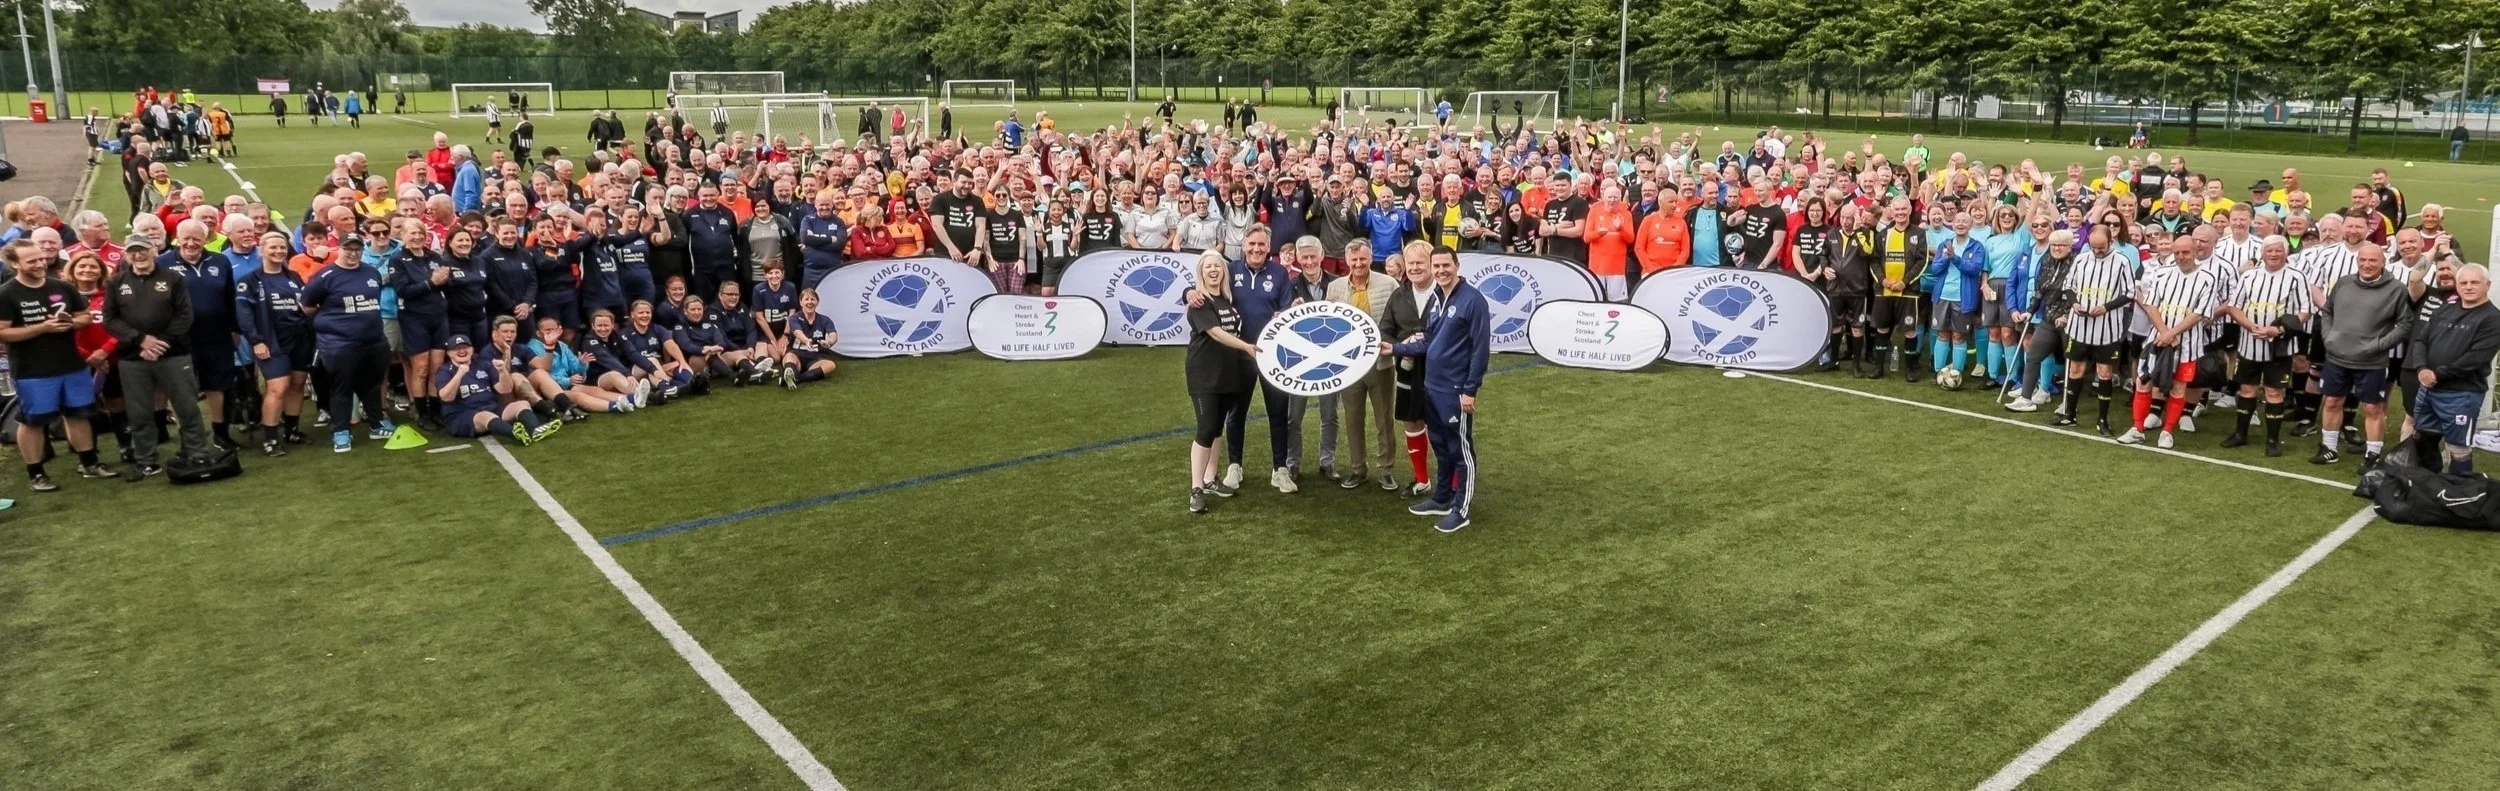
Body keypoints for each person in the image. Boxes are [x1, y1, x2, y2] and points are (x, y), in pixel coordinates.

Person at [1380, 246, 1491, 533]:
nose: (1441, 271)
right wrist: (1395, 347)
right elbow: (1428, 340)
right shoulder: (1437, 298)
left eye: (1446, 265)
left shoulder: (1472, 301)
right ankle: (1442, 497)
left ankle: (1461, 509)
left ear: (1456, 265)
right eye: (1437, 266)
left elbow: (1480, 350)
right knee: (1441, 446)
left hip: (1456, 390)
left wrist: (1470, 390)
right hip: (1432, 386)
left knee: (1460, 449)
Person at [2312, 243, 2414, 466]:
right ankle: (2329, 448)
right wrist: (2329, 336)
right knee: (2331, 401)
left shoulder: (2396, 289)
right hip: (2337, 356)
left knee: (2372, 408)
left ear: (2383, 262)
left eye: (2373, 261)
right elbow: (2328, 310)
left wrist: (2379, 345)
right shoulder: (2344, 283)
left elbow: (2405, 324)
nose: (2367, 265)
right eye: (2363, 260)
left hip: (2372, 362)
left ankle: (2373, 455)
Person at [2118, 240, 2221, 449]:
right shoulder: (2162, 273)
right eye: (2177, 252)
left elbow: (2200, 312)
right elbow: (2151, 305)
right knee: (2143, 381)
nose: (2181, 256)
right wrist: (2165, 333)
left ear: (2194, 252)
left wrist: (2173, 333)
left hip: (2188, 343)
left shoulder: (2208, 278)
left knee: (2178, 387)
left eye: (2185, 252)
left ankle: (2167, 431)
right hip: (2157, 339)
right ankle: (2137, 429)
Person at [300, 236, 396, 452]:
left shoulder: (370, 272)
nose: (353, 254)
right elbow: (306, 305)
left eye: (357, 249)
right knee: (342, 386)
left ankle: (376, 423)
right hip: (340, 343)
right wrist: (331, 322)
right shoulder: (325, 276)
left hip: (374, 340)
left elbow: (373, 300)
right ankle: (340, 431)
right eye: (348, 249)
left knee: (372, 384)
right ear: (339, 249)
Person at [1184, 250, 1260, 513]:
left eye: (1218, 266)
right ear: (1201, 273)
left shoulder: (1226, 300)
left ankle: (1210, 479)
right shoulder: (1199, 301)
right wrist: (1246, 347)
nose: (1214, 270)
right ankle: (1196, 488)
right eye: (1208, 267)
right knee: (1206, 428)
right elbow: (1216, 334)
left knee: (1217, 429)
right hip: (1204, 374)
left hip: (1228, 374)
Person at [2406, 264, 2500, 474]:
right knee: (2423, 437)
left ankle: (2459, 491)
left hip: (2462, 393)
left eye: (2474, 282)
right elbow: (2421, 340)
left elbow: (2475, 359)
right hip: (2428, 389)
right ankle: (2428, 485)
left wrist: (2437, 374)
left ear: (2488, 285)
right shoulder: (2445, 308)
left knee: (2458, 447)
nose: (2468, 287)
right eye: (2463, 283)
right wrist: (2421, 368)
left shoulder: (2493, 319)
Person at [1327, 238, 1398, 491]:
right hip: (1349, 366)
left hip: (1381, 364)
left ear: (1370, 258)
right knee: (1353, 418)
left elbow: (1397, 318)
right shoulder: (1335, 288)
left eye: (1363, 259)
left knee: (1384, 419)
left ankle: (1386, 470)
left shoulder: (1389, 283)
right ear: (1347, 261)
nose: (1358, 264)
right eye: (1354, 260)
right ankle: (1358, 469)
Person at [236, 231, 313, 455]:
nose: (278, 251)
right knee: (278, 388)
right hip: (272, 342)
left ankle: (291, 430)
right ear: (262, 249)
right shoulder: (250, 281)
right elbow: (244, 314)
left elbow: (303, 305)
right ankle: (270, 439)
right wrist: (256, 341)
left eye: (282, 247)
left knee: (298, 384)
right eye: (273, 247)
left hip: (299, 339)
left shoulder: (293, 277)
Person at [436, 334, 559, 445]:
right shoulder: (444, 371)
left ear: (472, 349)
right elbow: (446, 397)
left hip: (491, 407)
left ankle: (535, 430)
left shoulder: (482, 364)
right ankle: (516, 435)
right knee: (485, 416)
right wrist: (459, 374)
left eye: (465, 347)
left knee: (522, 404)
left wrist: (502, 371)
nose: (462, 351)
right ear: (449, 353)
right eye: (457, 348)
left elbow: (505, 390)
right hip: (462, 415)